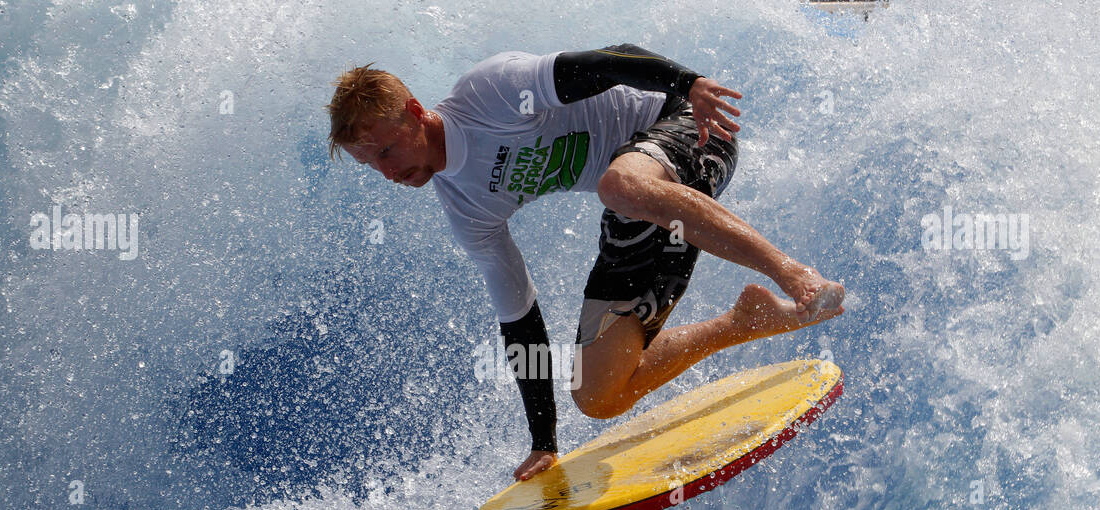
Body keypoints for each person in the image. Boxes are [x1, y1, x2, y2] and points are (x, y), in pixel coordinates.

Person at [327, 44, 845, 481]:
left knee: (618, 185)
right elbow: (519, 318)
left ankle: (791, 273)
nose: (385, 172)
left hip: (688, 123)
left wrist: (688, 83)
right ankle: (749, 319)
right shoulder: (466, 208)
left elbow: (607, 60)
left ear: (415, 112)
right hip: (640, 201)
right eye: (370, 164)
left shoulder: (490, 93)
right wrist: (544, 441)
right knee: (598, 395)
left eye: (387, 151)